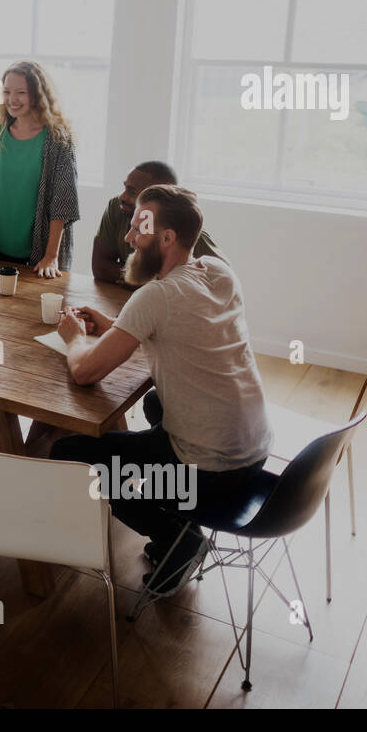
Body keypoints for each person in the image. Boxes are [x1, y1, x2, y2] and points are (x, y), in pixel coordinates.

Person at [48, 185, 273, 595]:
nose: (129, 238)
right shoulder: (219, 272)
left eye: (140, 227)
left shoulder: (157, 296)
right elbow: (178, 327)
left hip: (207, 477)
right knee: (154, 402)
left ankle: (178, 538)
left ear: (167, 238)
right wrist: (120, 326)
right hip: (254, 456)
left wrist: (74, 337)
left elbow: (84, 372)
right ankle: (178, 520)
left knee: (69, 452)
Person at [0, 61, 79, 278]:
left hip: (39, 257)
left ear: (38, 95)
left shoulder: (58, 141)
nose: (12, 99)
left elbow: (62, 203)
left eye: (21, 92)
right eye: (7, 92)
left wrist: (51, 256)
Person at [93, 160, 225, 286]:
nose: (122, 196)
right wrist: (146, 282)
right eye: (125, 187)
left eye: (132, 191)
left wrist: (152, 284)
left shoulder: (186, 231)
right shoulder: (117, 207)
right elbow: (100, 267)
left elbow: (222, 280)